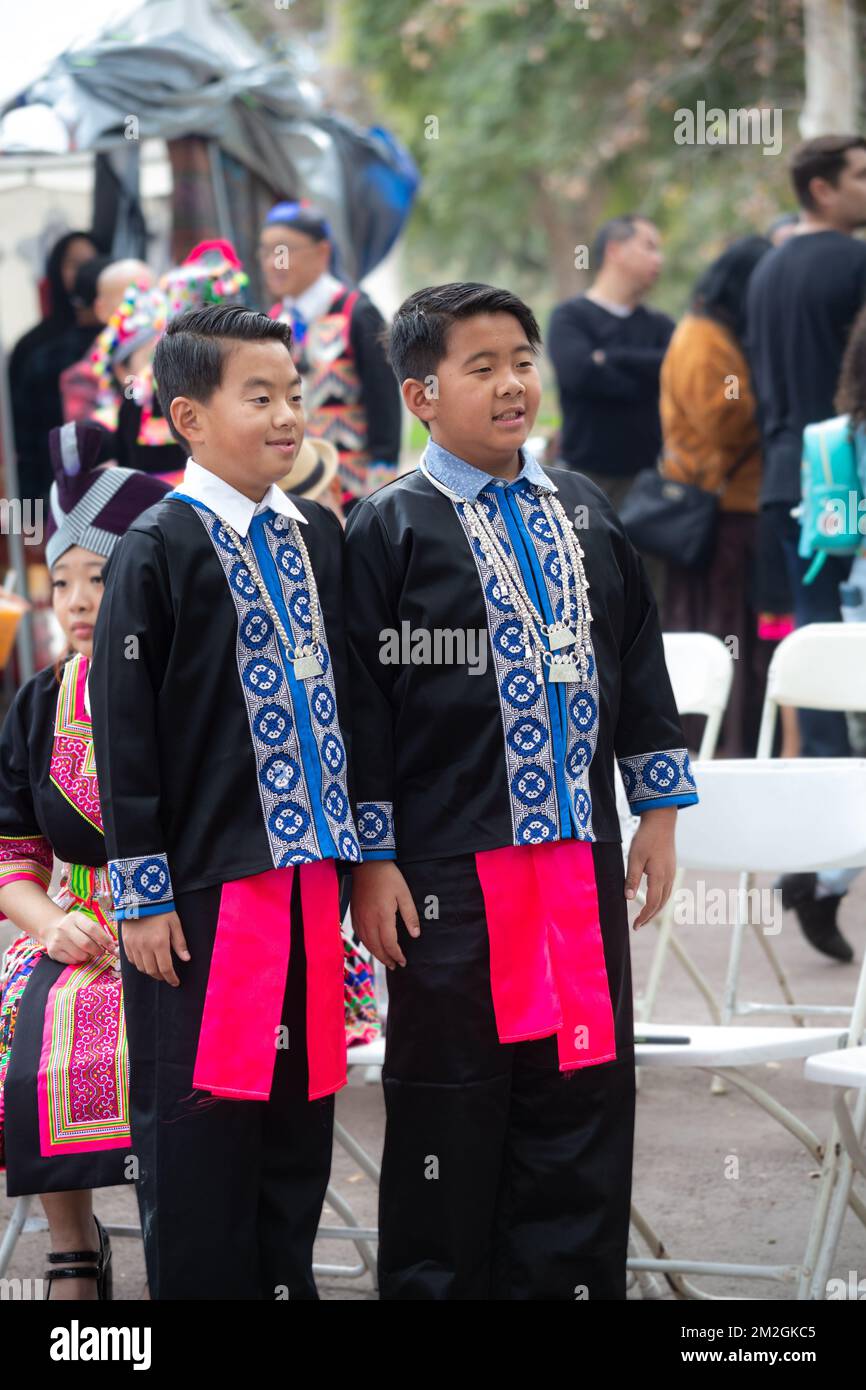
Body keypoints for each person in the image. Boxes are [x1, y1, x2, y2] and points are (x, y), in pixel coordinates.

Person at [344, 281, 699, 1300]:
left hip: (578, 864)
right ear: (419, 393)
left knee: (580, 1086)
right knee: (450, 1101)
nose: (511, 385)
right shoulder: (388, 528)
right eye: (480, 366)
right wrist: (371, 863)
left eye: (520, 360)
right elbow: (359, 714)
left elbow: (636, 667)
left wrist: (657, 814)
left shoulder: (584, 508)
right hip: (447, 873)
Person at [88, 302, 362, 1300]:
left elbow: (363, 709)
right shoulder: (154, 547)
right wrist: (144, 891)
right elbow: (125, 732)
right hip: (203, 898)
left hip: (308, 887)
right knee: (201, 1132)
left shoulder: (320, 538)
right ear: (187, 417)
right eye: (260, 397)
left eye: (295, 395)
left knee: (297, 1121)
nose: (290, 415)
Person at [0, 420, 170, 1300]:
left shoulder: (188, 689)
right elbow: (12, 861)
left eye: (99, 578)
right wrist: (52, 926)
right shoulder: (36, 705)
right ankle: (71, 1250)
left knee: (180, 1050)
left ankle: (201, 1236)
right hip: (69, 927)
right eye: (60, 579)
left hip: (185, 921)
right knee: (19, 1038)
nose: (74, 598)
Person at [747, 134, 866, 764]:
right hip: (853, 480)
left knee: (816, 651)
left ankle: (819, 848)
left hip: (790, 484)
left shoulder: (766, 270)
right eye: (861, 176)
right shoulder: (854, 263)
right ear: (823, 188)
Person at [659, 236, 773, 757]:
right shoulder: (705, 339)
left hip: (732, 510)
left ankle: (733, 744)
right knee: (723, 632)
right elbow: (725, 421)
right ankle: (721, 750)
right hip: (721, 512)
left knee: (733, 631)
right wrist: (775, 403)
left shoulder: (711, 333)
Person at [259, 201, 402, 507]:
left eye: (282, 251)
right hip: (294, 491)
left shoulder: (357, 314)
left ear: (321, 253)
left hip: (354, 493)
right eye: (266, 252)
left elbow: (385, 405)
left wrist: (381, 492)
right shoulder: (271, 322)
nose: (273, 263)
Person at [9, 231, 104, 505]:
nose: (87, 272)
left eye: (92, 262)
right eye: (75, 263)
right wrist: (29, 519)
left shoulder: (126, 344)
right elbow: (23, 444)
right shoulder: (34, 349)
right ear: (55, 271)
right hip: (53, 495)